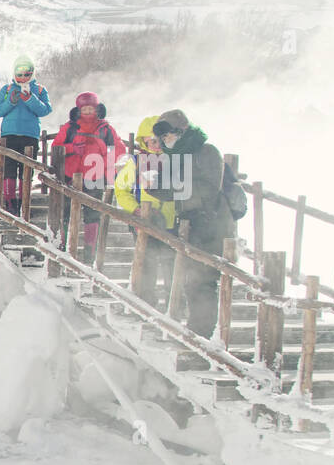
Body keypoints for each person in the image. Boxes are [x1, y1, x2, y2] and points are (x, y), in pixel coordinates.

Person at [146, 109, 237, 339]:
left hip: (213, 225)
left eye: (168, 135)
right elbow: (170, 189)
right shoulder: (174, 156)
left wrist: (176, 190)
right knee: (191, 280)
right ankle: (196, 333)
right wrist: (153, 186)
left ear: (182, 131)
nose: (166, 141)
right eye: (162, 137)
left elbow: (208, 190)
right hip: (191, 224)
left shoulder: (206, 151)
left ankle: (201, 338)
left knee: (203, 282)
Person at [51, 91, 126, 258]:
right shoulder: (69, 127)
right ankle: (64, 247)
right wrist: (71, 148)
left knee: (93, 214)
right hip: (71, 175)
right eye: (84, 109)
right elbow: (56, 147)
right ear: (78, 110)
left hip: (95, 176)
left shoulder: (106, 129)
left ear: (97, 109)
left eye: (90, 109)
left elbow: (119, 150)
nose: (87, 112)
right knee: (67, 212)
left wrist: (103, 153)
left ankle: (89, 253)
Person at [112, 116, 176, 308]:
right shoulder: (136, 162)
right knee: (147, 263)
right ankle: (146, 303)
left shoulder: (173, 160)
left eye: (161, 140)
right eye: (153, 141)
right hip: (144, 221)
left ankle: (175, 304)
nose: (157, 145)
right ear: (144, 141)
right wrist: (135, 209)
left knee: (171, 265)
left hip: (172, 222)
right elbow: (121, 191)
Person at [0, 55, 52, 215]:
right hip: (9, 135)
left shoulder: (39, 90)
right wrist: (11, 101)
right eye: (20, 73)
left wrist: (30, 99)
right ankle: (10, 202)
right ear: (14, 73)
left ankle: (24, 201)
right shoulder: (7, 89)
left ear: (32, 73)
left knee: (26, 170)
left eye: (27, 74)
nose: (23, 77)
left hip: (29, 135)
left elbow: (45, 110)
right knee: (9, 169)